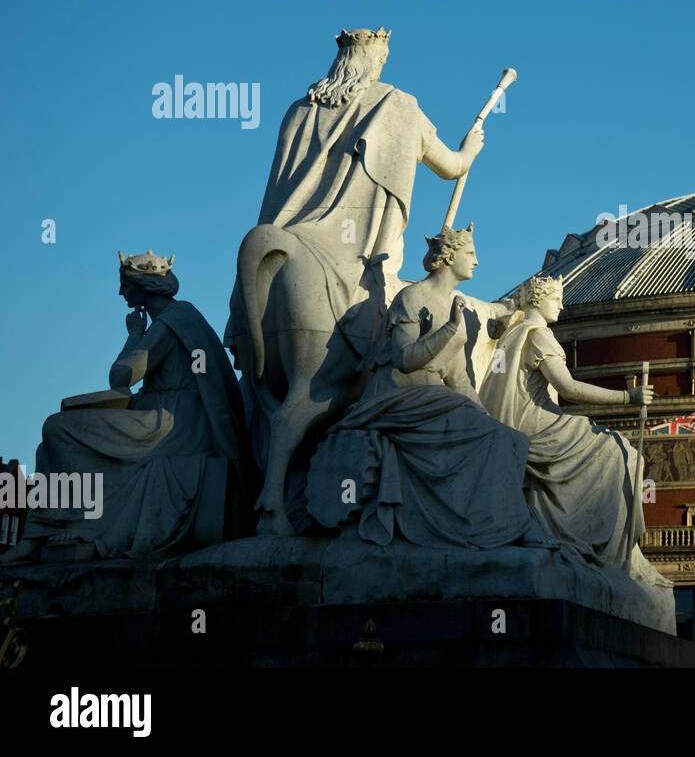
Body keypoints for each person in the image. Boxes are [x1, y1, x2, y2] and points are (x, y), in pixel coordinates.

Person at [225, 28, 488, 535]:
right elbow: (451, 168)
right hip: (356, 258)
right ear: (376, 61)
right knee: (335, 379)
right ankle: (274, 504)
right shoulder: (398, 103)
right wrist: (469, 150)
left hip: (278, 247)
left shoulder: (297, 110)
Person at [307, 226, 547, 550]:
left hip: (436, 397)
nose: (476, 261)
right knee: (491, 438)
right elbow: (404, 359)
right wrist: (447, 330)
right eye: (470, 254)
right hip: (399, 397)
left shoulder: (456, 306)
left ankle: (493, 526)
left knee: (507, 438)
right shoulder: (412, 297)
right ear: (448, 256)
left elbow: (459, 378)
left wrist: (483, 416)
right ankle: (497, 529)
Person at [6, 251, 247, 562]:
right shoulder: (180, 318)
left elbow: (121, 376)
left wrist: (134, 335)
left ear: (142, 285)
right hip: (162, 416)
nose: (121, 292)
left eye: (125, 285)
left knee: (57, 429)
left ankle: (75, 528)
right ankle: (41, 535)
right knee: (47, 447)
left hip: (171, 426)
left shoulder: (172, 321)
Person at [478, 276, 667, 586]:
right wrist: (628, 398)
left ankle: (582, 536)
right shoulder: (540, 335)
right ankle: (602, 548)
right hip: (536, 425)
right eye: (556, 299)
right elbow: (568, 388)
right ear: (538, 302)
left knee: (615, 449)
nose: (562, 306)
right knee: (620, 453)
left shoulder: (515, 332)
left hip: (519, 424)